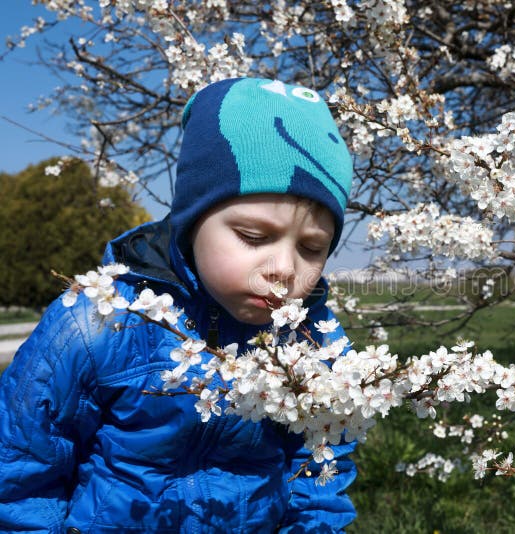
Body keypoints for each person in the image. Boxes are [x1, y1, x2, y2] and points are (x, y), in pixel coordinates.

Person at [0, 77, 356, 532]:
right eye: (253, 237)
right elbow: (21, 470)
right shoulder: (100, 322)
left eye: (312, 248)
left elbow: (321, 471)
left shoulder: (314, 341)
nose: (284, 268)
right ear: (191, 221)